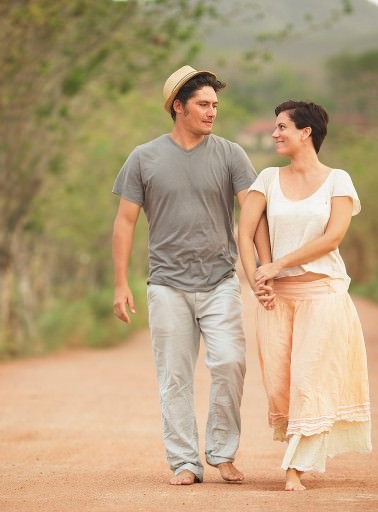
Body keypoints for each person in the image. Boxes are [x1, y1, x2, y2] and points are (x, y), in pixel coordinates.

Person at [111, 65, 257, 485]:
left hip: (220, 282)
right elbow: (125, 222)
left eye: (215, 105)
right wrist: (121, 284)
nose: (212, 112)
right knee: (174, 377)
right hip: (167, 286)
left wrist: (261, 269)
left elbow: (251, 215)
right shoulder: (144, 157)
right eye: (203, 104)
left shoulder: (231, 154)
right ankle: (185, 462)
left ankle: (222, 452)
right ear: (178, 107)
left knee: (230, 363)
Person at [238, 100, 372, 491]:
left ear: (305, 133)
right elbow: (245, 232)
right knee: (280, 386)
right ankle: (297, 452)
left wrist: (278, 265)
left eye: (282, 127)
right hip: (277, 299)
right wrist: (257, 280)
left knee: (308, 381)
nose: (274, 133)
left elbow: (333, 237)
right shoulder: (266, 178)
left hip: (322, 294)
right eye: (275, 127)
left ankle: (294, 468)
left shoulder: (338, 181)